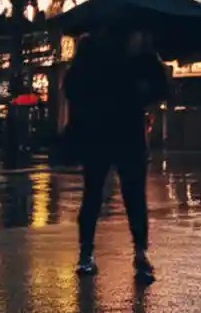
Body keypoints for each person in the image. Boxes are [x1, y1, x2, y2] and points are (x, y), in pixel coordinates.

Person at [63, 27, 169, 282]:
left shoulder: (130, 49)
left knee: (104, 194)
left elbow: (70, 87)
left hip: (112, 130)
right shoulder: (126, 48)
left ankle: (97, 254)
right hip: (116, 129)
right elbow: (73, 87)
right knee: (117, 195)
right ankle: (132, 254)